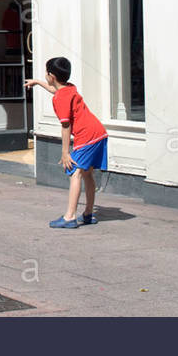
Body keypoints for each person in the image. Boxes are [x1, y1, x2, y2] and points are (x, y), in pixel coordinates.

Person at [26, 56, 107, 229]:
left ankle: (70, 217)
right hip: (98, 133)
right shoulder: (69, 88)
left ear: (51, 75)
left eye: (46, 74)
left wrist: (65, 152)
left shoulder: (60, 98)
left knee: (75, 173)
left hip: (87, 136)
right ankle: (88, 214)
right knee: (86, 174)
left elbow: (66, 125)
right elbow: (56, 90)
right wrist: (38, 82)